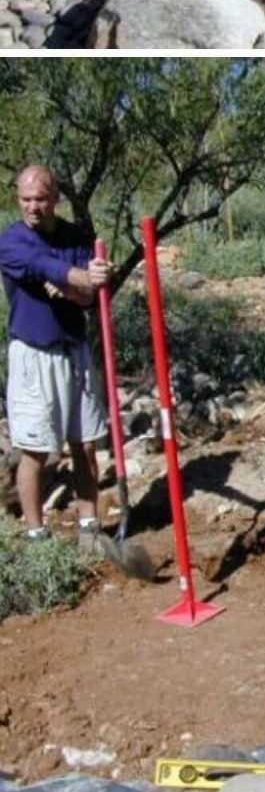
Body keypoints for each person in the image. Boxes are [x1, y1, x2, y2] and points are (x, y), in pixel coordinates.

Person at [0, 165, 111, 540]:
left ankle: (89, 527)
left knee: (85, 443)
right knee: (34, 451)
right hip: (33, 354)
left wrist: (73, 287)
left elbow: (88, 297)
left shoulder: (75, 237)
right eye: (25, 199)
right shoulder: (12, 241)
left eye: (41, 199)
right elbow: (43, 267)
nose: (33, 207)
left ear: (55, 199)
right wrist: (81, 279)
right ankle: (36, 535)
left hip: (74, 350)